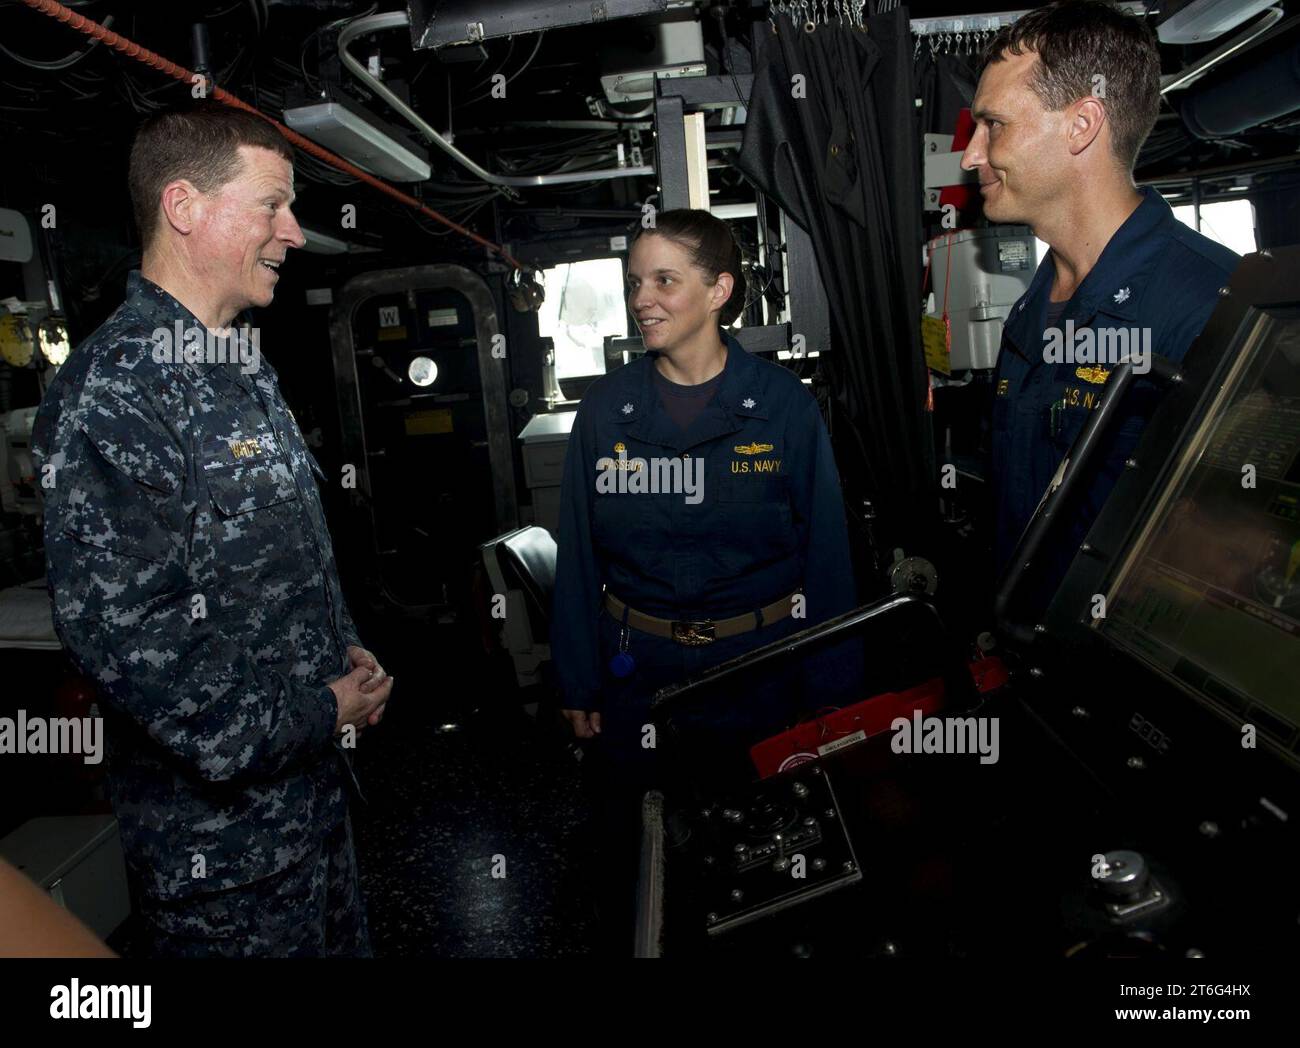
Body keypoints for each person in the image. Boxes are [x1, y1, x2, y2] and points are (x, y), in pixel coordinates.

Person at [32, 103, 392, 957]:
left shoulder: (237, 364)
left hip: (312, 810)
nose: (294, 233)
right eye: (272, 205)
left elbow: (287, 550)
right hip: (222, 856)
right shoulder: (114, 390)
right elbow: (129, 634)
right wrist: (310, 714)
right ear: (185, 207)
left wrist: (342, 653)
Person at [551, 208, 857, 946]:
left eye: (664, 280)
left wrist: (836, 696)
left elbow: (828, 556)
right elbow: (580, 559)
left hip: (761, 672)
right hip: (641, 676)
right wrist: (578, 682)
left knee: (771, 863)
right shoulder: (605, 412)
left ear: (720, 289)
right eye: (634, 282)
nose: (642, 299)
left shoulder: (782, 407)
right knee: (646, 870)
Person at [960, 0, 1239, 607]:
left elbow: (1232, 561)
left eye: (994, 125)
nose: (971, 155)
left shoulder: (1215, 306)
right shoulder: (1034, 307)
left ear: (1082, 124)